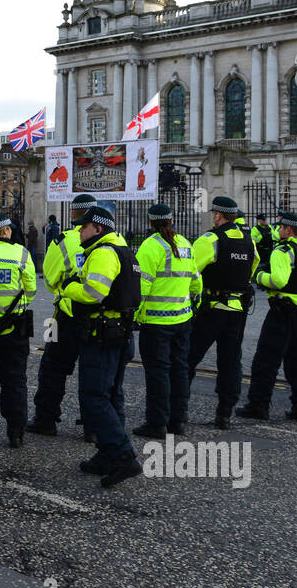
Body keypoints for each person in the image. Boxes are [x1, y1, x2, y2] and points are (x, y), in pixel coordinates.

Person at [59, 206, 143, 486]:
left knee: (94, 396)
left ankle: (122, 456)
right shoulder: (124, 250)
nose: (79, 231)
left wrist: (68, 287)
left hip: (102, 335)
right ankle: (107, 453)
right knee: (110, 395)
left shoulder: (104, 253)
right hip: (119, 333)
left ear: (97, 228)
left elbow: (93, 294)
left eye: (83, 226)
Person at [239, 211, 297, 422]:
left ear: (288, 230)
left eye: (280, 227)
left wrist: (259, 276)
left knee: (266, 359)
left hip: (284, 311)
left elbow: (278, 280)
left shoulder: (283, 251)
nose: (277, 231)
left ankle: (258, 405)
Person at [26, 194, 97, 437]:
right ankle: (93, 425)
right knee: (95, 372)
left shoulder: (62, 241)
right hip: (100, 317)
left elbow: (49, 277)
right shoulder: (113, 239)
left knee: (52, 367)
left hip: (64, 316)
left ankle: (46, 418)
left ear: (74, 214)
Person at [187, 196, 258, 428]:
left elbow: (191, 271)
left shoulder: (210, 240)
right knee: (230, 363)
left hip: (212, 309)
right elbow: (253, 266)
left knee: (188, 357)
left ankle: (177, 409)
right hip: (237, 310)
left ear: (217, 214)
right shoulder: (249, 240)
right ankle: (224, 415)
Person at [133, 202, 199, 438]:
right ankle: (177, 421)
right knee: (180, 369)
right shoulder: (185, 244)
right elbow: (196, 281)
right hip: (182, 319)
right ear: (172, 221)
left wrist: (131, 316)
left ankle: (157, 423)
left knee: (158, 372)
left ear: (150, 223)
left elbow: (141, 288)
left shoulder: (150, 247)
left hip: (156, 322)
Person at [0, 212, 36, 448]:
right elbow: (30, 289)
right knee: (15, 381)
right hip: (14, 328)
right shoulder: (21, 254)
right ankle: (16, 431)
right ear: (4, 230)